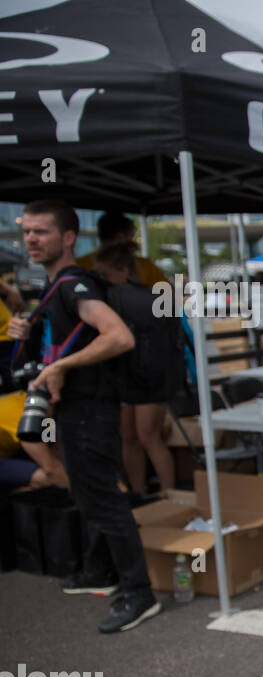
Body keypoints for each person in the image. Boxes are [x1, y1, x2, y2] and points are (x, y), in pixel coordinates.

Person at [8, 200, 161, 632]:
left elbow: (119, 336)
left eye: (42, 232)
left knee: (105, 500)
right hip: (75, 409)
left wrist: (61, 367)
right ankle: (99, 572)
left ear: (69, 237)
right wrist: (28, 331)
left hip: (89, 410)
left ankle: (139, 593)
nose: (32, 240)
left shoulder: (76, 286)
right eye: (27, 232)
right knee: (91, 493)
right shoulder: (58, 288)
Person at [93, 243, 178, 500]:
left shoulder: (116, 298)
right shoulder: (146, 296)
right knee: (133, 437)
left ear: (123, 269)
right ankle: (145, 492)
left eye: (104, 274)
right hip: (138, 377)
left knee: (145, 437)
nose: (101, 280)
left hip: (140, 377)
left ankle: (166, 493)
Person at [76, 212, 167, 287]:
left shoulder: (80, 265)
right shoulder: (143, 265)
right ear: (120, 237)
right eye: (131, 236)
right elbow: (169, 296)